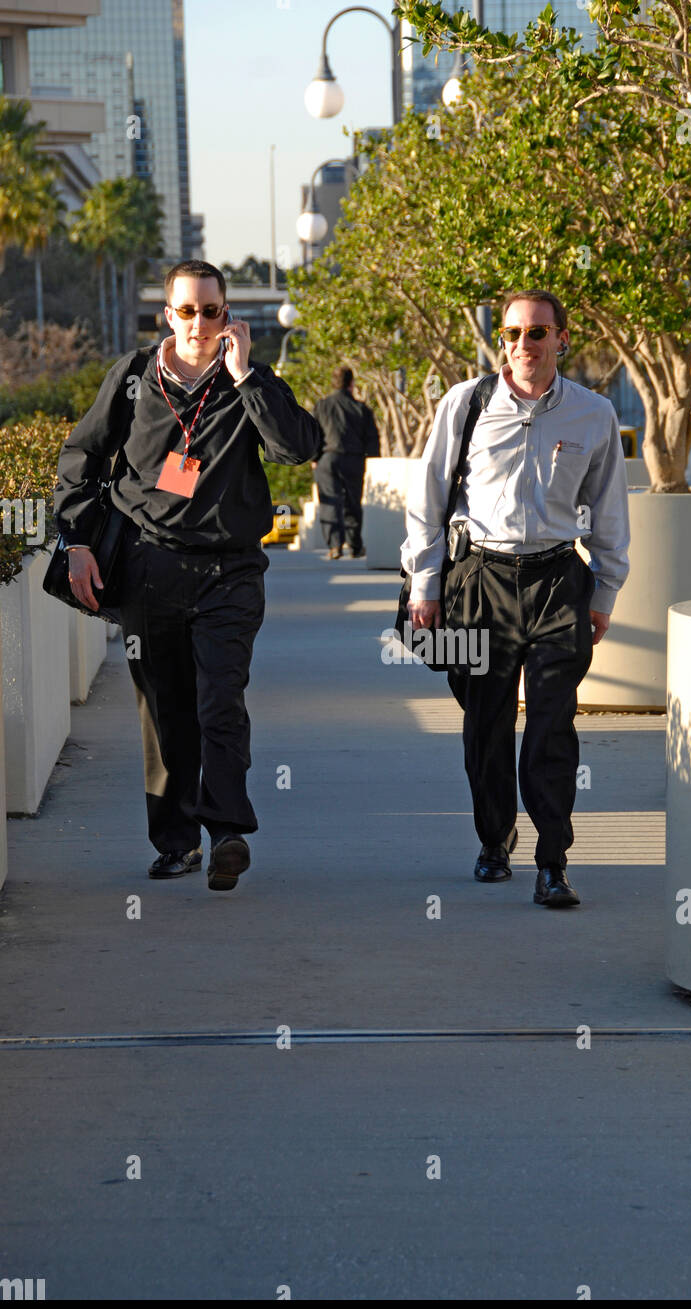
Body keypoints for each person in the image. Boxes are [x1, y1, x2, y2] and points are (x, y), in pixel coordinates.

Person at [54, 259, 320, 891]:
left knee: (220, 701)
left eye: (211, 310)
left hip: (230, 572)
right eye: (187, 310)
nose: (199, 322)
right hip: (149, 568)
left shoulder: (247, 381)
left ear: (227, 317)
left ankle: (226, 832)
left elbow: (300, 446)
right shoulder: (134, 378)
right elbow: (81, 456)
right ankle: (176, 842)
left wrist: (247, 375)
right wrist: (78, 544)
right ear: (166, 315)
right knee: (165, 711)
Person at [401, 290, 629, 909]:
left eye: (537, 332)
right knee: (486, 725)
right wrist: (426, 585)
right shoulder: (465, 404)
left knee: (553, 726)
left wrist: (604, 588)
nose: (523, 345)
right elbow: (426, 499)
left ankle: (552, 861)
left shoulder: (593, 414)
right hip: (480, 581)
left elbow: (609, 508)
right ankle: (493, 838)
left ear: (562, 339)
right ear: (501, 340)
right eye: (512, 333)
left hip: (559, 581)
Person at [312, 366, 380, 559]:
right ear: (351, 384)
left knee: (329, 502)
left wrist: (314, 458)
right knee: (353, 503)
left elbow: (315, 434)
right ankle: (355, 546)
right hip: (354, 459)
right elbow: (372, 438)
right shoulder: (362, 409)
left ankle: (335, 546)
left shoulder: (322, 405)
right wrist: (373, 461)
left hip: (327, 458)